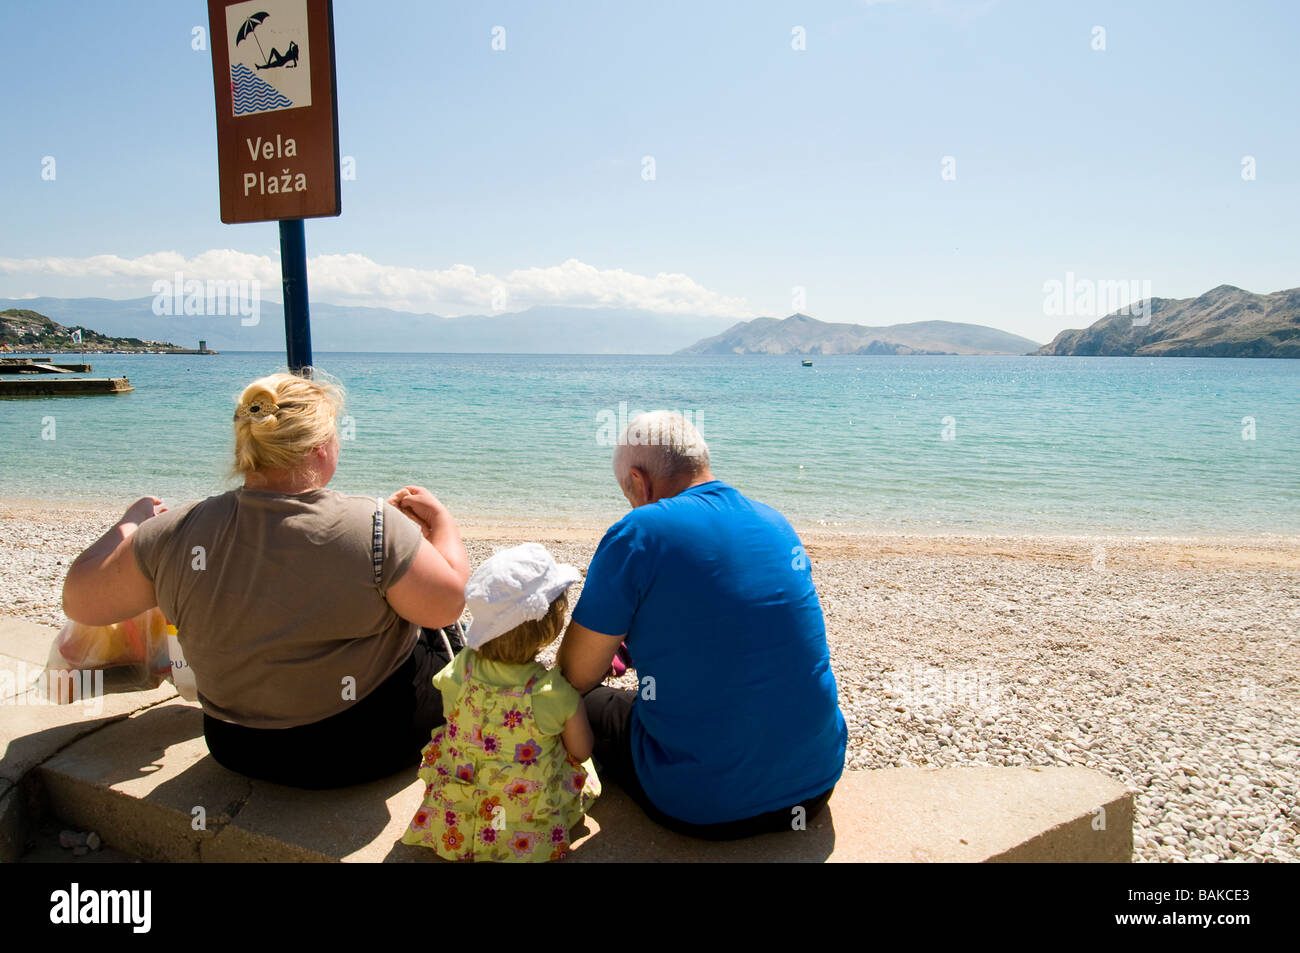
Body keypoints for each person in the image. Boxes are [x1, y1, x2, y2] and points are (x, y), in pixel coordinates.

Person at [61, 370, 471, 789]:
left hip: (237, 746)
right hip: (364, 746)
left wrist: (132, 524)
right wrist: (442, 524)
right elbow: (448, 606)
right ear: (321, 447)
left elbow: (80, 602)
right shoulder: (375, 524)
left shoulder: (174, 531)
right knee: (424, 619)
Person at [557, 411, 847, 839]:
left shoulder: (639, 531)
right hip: (814, 785)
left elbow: (575, 674)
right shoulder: (774, 521)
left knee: (583, 703)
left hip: (699, 804)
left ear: (639, 481)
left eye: (628, 493)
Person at [401, 543, 600, 861]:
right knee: (585, 768)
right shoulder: (551, 692)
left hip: (460, 816)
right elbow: (581, 750)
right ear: (550, 626)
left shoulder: (461, 668)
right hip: (522, 826)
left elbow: (452, 715)